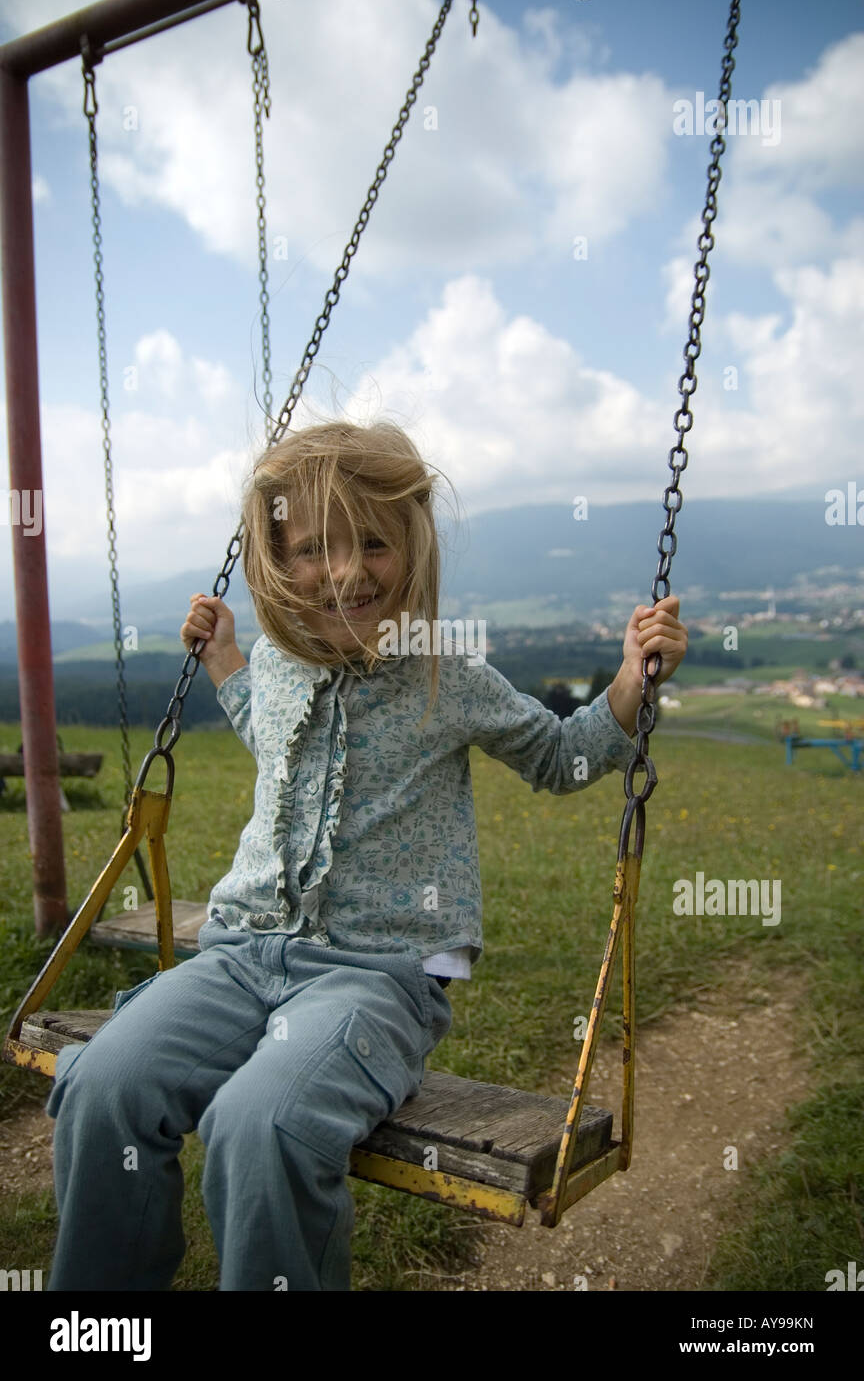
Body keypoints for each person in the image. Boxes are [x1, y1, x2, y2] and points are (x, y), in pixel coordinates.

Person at [44, 420, 688, 1291]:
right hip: (236, 956)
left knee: (259, 1122)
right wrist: (228, 658)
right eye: (313, 549)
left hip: (373, 976)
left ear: (413, 549)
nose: (346, 571)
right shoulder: (274, 666)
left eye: (374, 542)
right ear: (277, 562)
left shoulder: (444, 672)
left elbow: (557, 755)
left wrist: (628, 684)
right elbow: (263, 733)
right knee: (101, 1087)